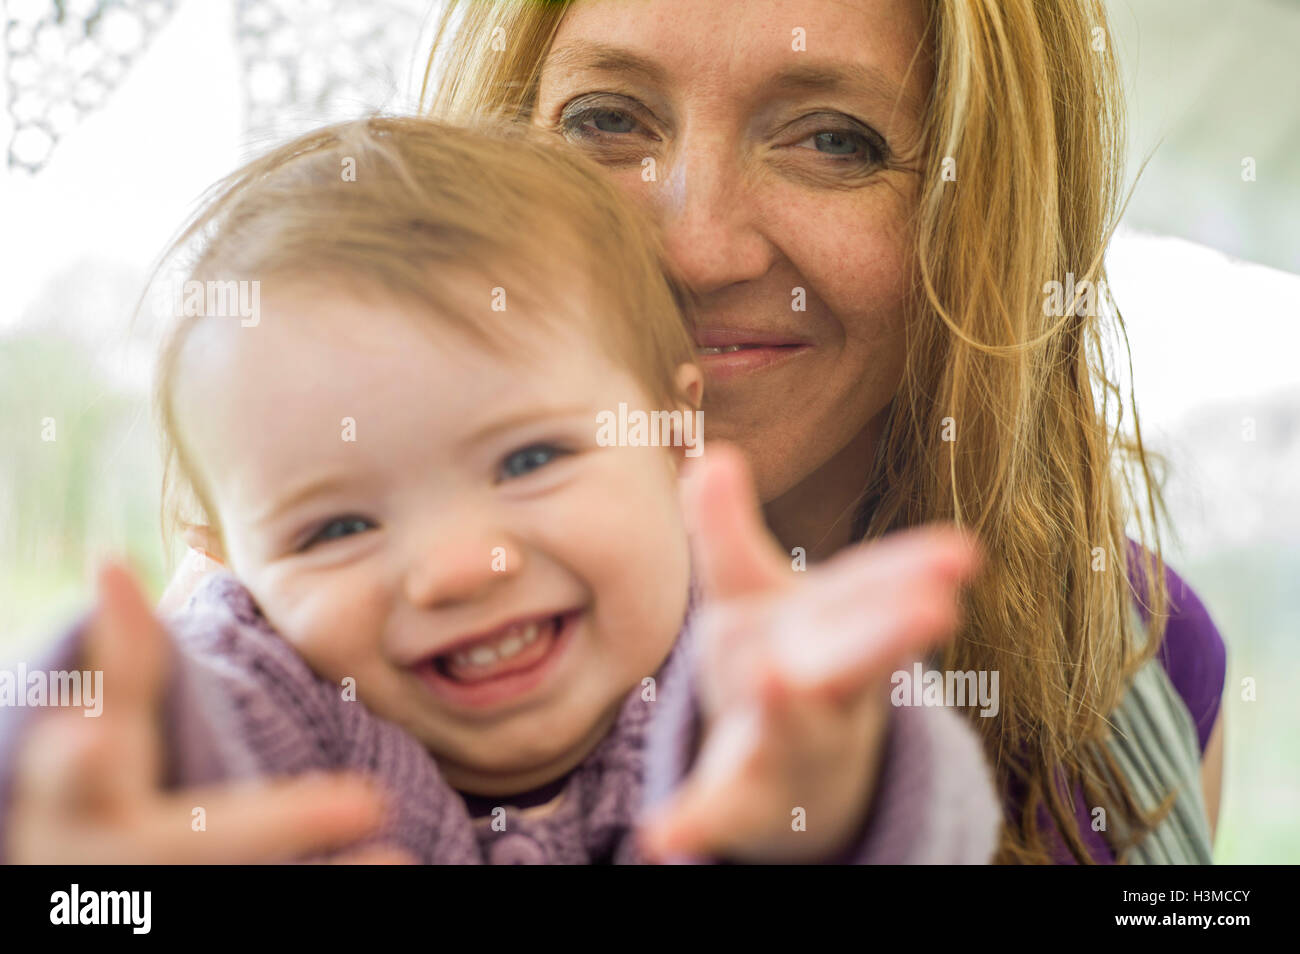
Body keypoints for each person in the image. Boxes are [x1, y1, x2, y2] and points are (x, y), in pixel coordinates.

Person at [0, 116, 998, 864]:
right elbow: (160, 737)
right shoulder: (274, 699)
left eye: (530, 462)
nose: (457, 569)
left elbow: (900, 815)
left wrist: (822, 784)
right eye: (336, 527)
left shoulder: (731, 660)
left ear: (673, 432)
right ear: (227, 554)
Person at [412, 0, 1227, 863]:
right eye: (606, 120)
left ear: (995, 215)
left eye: (834, 140)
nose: (695, 250)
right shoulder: (325, 670)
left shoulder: (1140, 651)